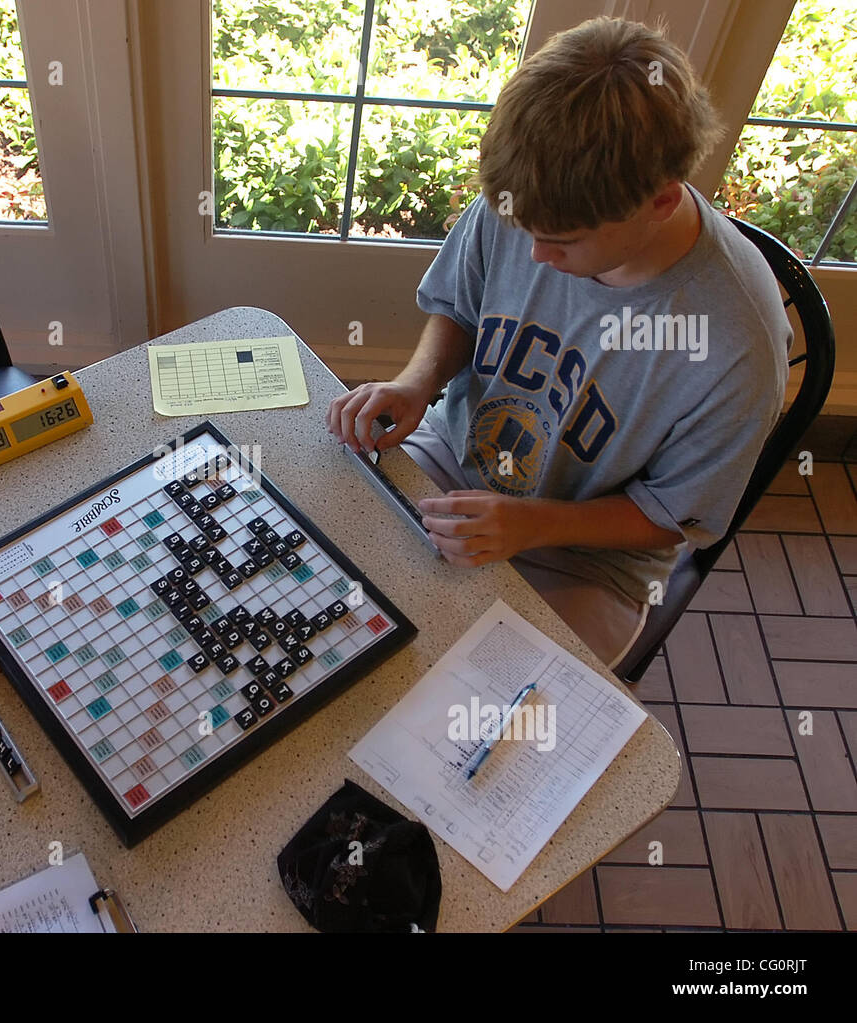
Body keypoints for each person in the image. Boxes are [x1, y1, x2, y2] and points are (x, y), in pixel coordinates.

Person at [328, 16, 790, 669]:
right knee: (330, 575)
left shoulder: (739, 344)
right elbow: (461, 307)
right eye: (524, 229)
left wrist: (532, 524)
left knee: (475, 697)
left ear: (661, 202)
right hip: (457, 455)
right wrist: (417, 382)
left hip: (589, 556)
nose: (535, 256)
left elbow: (672, 515)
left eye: (562, 241)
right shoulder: (529, 195)